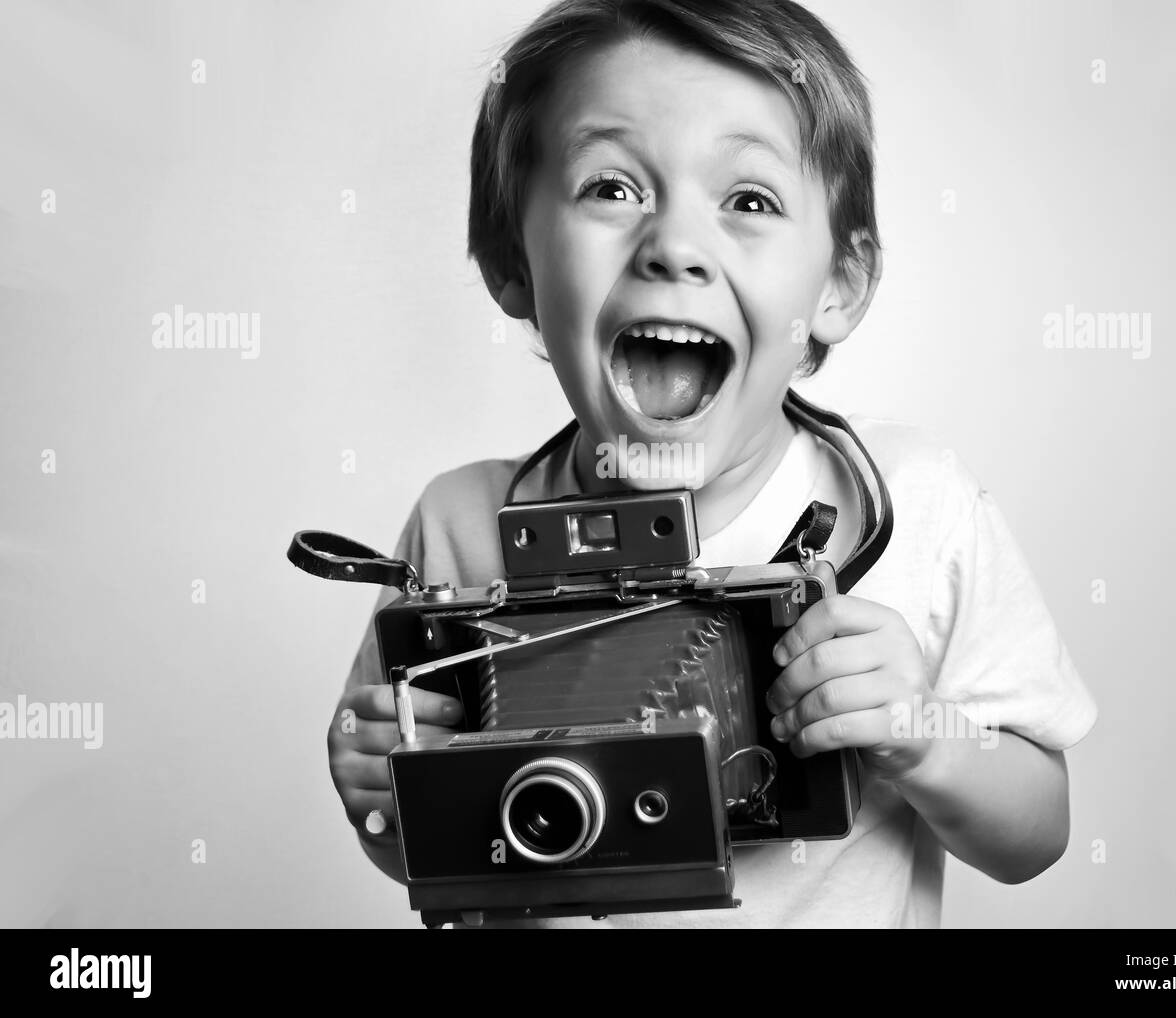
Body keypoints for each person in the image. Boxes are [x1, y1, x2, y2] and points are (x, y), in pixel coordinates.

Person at [326, 0, 1097, 928]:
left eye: (749, 200)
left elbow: (1037, 834)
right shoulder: (458, 523)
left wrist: (923, 736)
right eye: (610, 188)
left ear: (839, 284)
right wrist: (381, 793)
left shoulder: (915, 499)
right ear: (511, 264)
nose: (676, 248)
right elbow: (422, 852)